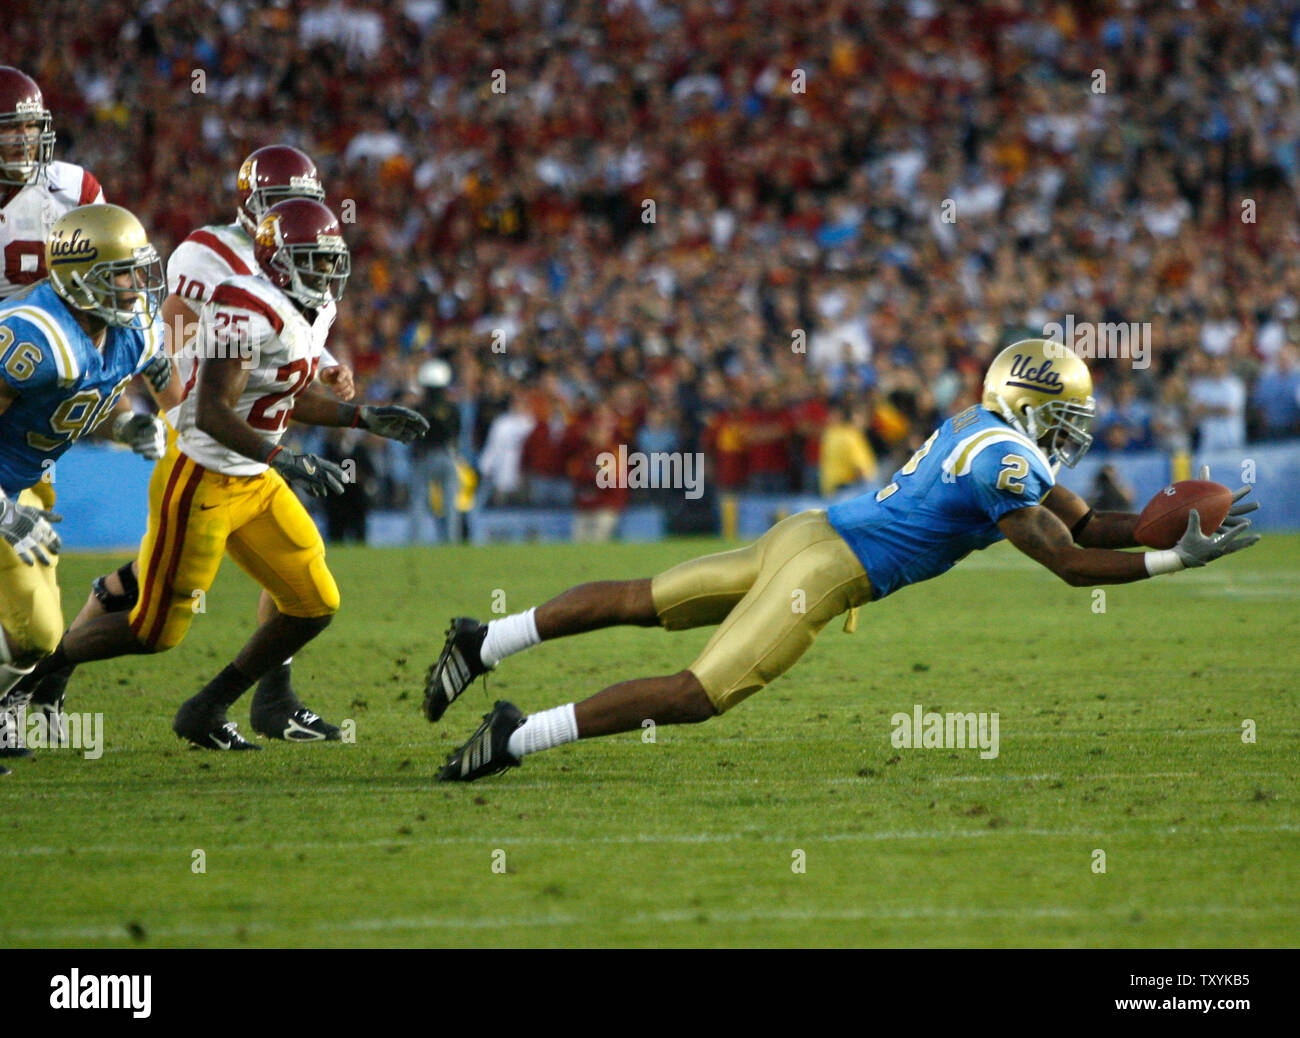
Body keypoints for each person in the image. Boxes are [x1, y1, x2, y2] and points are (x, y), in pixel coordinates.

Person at [421, 340, 1259, 782]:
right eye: (1064, 414)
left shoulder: (984, 429)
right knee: (698, 692)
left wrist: (1159, 531)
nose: (1074, 432)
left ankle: (486, 639)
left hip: (808, 530)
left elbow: (1091, 526)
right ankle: (516, 736)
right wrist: (1175, 563)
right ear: (1027, 405)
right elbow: (1072, 565)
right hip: (823, 570)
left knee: (645, 596)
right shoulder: (1004, 459)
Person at [16, 200, 427, 750]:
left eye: (332, 260)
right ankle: (39, 671)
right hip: (202, 477)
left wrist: (362, 416)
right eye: (313, 260)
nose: (327, 273)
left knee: (314, 602)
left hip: (253, 479)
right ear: (278, 261)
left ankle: (208, 706)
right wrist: (286, 459)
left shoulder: (309, 307)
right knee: (154, 632)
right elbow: (212, 410)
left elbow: (287, 390)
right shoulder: (244, 304)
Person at [0, 203, 170, 771]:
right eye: (122, 273)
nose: (135, 286)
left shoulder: (126, 333)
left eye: (137, 270)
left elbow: (77, 402)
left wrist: (123, 422)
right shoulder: (32, 338)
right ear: (78, 277)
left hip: (20, 486)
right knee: (37, 633)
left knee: (38, 637)